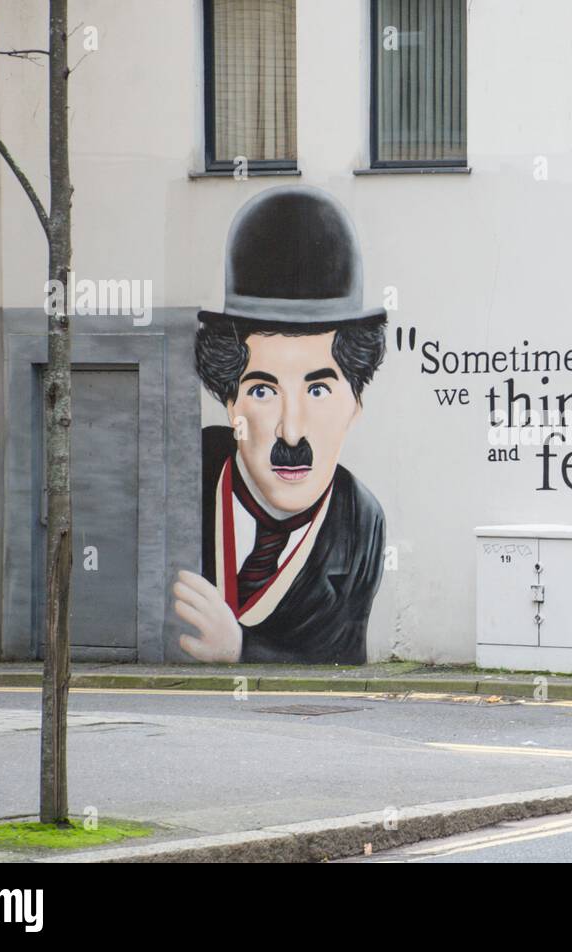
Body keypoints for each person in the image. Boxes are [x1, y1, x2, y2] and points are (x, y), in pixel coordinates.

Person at [174, 186, 388, 665]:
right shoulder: (184, 475)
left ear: (355, 404)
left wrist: (239, 651)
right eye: (263, 391)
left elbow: (337, 659)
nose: (292, 434)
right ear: (229, 402)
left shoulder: (358, 524)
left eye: (317, 390)